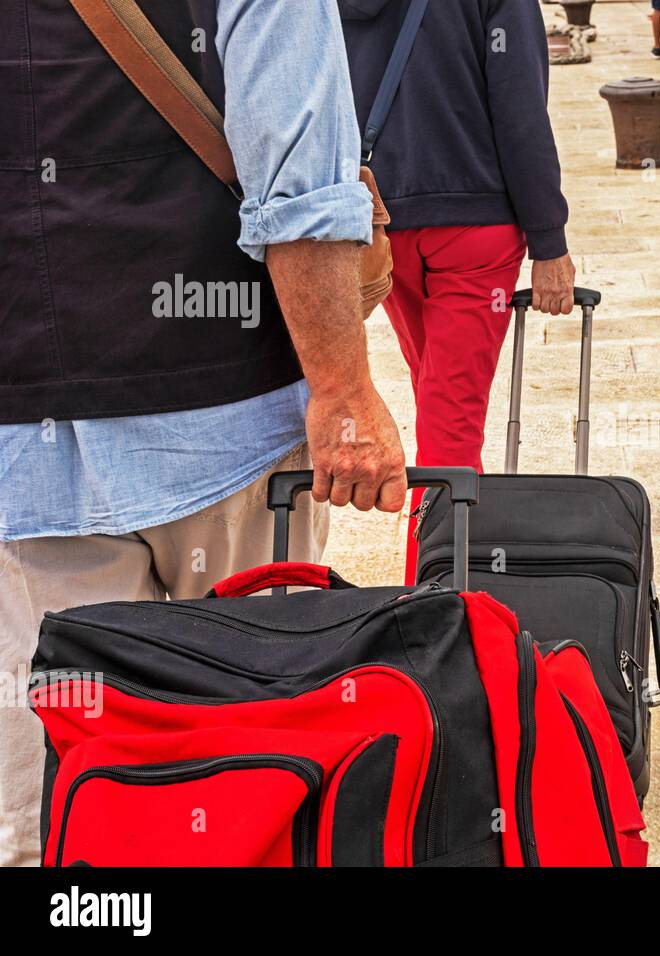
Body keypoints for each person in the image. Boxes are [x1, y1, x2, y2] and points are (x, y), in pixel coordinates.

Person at [0, 0, 407, 866]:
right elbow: (298, 164)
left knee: (69, 786)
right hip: (224, 417)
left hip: (24, 444)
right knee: (255, 762)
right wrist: (342, 390)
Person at [338, 0, 577, 582]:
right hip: (475, 230)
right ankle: (437, 598)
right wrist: (549, 241)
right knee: (451, 431)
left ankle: (455, 572)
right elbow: (520, 111)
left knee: (439, 403)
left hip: (382, 220)